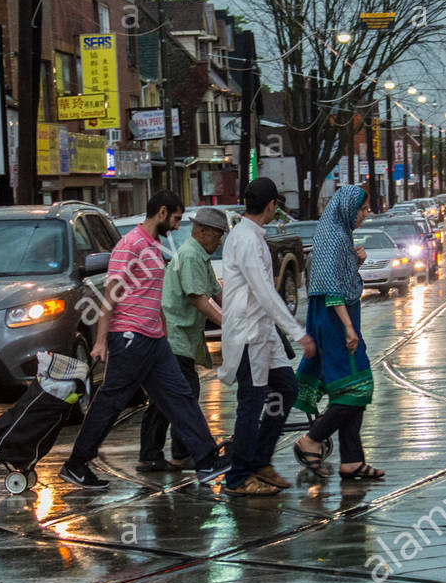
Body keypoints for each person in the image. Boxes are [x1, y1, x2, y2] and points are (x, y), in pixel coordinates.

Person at [59, 191, 229, 490]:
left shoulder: (153, 245)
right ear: (161, 212)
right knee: (110, 402)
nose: (177, 226)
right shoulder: (130, 245)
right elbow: (109, 297)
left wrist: (161, 331)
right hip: (129, 339)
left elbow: (153, 299)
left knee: (180, 397)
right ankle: (77, 463)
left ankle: (207, 461)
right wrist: (101, 342)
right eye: (176, 219)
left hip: (154, 340)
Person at [218, 177, 317, 496]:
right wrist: (298, 332)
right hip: (248, 334)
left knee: (286, 388)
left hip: (262, 334)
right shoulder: (246, 239)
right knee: (251, 402)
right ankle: (237, 476)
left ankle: (260, 460)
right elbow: (264, 292)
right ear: (272, 204)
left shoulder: (252, 236)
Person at [293, 186, 385, 482]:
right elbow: (333, 290)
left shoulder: (337, 233)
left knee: (350, 388)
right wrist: (347, 327)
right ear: (348, 209)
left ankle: (352, 460)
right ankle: (312, 438)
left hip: (334, 320)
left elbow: (339, 278)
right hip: (334, 323)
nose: (365, 215)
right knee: (357, 388)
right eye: (363, 209)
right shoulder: (334, 237)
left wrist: (356, 261)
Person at [137, 207, 227, 472]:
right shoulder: (189, 256)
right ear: (200, 232)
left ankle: (154, 454)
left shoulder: (198, 256)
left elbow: (215, 292)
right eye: (216, 235)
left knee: (166, 399)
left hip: (181, 338)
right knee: (183, 396)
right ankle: (178, 453)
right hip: (173, 337)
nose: (219, 241)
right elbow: (198, 299)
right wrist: (228, 324)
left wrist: (237, 315)